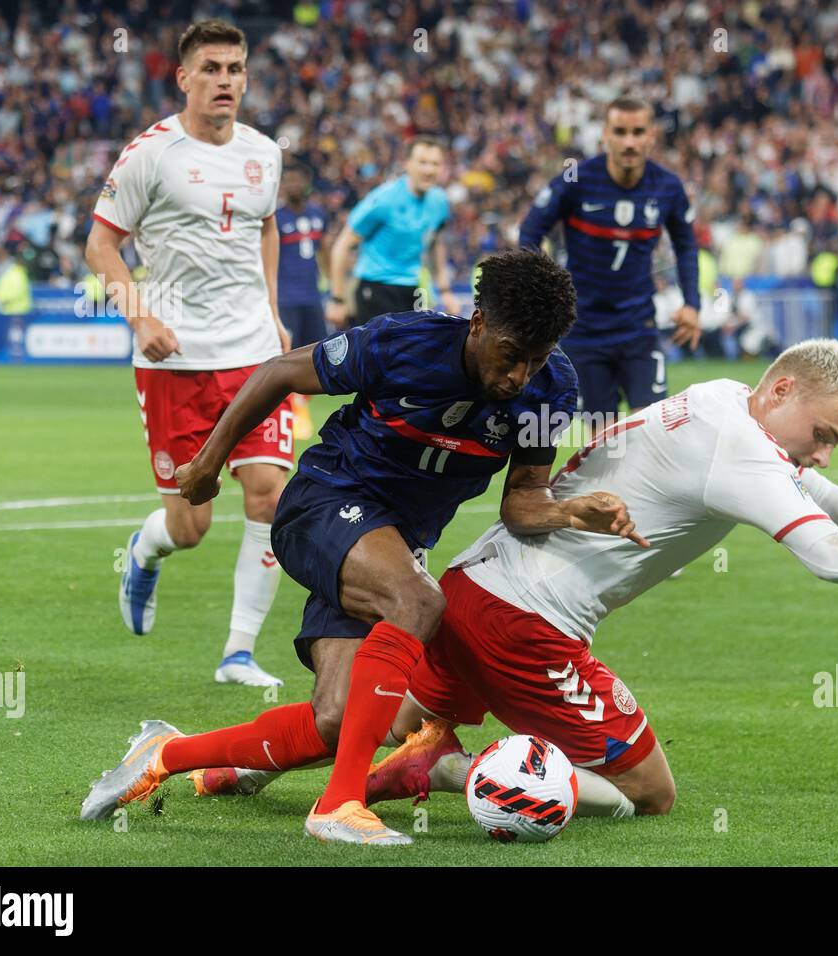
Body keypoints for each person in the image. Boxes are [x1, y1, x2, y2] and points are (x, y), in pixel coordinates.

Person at [181, 340, 838, 820]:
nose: (818, 453)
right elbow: (826, 554)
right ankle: (451, 777)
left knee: (365, 721)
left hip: (476, 586)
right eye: (820, 431)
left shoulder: (719, 397)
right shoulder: (742, 454)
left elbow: (819, 490)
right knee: (650, 793)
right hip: (530, 626)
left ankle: (213, 767)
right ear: (782, 389)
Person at [80, 248, 650, 845]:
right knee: (420, 602)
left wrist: (571, 511)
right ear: (478, 323)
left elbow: (523, 501)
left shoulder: (551, 389)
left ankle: (164, 753)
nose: (517, 378)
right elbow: (278, 372)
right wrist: (208, 460)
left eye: (533, 362)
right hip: (324, 503)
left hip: (391, 543)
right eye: (510, 357)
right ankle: (340, 805)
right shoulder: (404, 342)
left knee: (335, 721)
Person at [84, 19, 294, 686]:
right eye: (211, 69)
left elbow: (267, 226)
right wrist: (139, 317)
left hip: (254, 353)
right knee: (192, 522)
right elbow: (100, 246)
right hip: (176, 362)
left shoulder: (265, 151)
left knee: (268, 496)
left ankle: (238, 652)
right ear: (184, 77)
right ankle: (147, 551)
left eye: (234, 68)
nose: (225, 79)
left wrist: (273, 310)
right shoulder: (151, 154)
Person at [519, 97, 701, 426]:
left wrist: (693, 303)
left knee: (652, 429)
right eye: (620, 131)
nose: (629, 142)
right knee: (603, 439)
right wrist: (541, 293)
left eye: (637, 132)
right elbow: (531, 231)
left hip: (638, 326)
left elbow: (687, 245)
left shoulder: (668, 186)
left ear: (651, 135)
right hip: (584, 327)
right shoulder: (577, 179)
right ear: (605, 134)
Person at [325, 137, 459, 328]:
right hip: (376, 287)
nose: (429, 170)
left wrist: (445, 289)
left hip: (413, 288)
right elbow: (342, 245)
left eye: (435, 164)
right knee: (379, 356)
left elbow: (435, 242)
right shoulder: (383, 200)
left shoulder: (439, 201)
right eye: (422, 162)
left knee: (414, 354)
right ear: (407, 163)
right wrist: (337, 299)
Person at [275, 163, 331, 439]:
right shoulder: (275, 218)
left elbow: (325, 251)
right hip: (285, 297)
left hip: (311, 296)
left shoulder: (318, 215)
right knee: (286, 354)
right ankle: (290, 407)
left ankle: (299, 401)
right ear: (283, 185)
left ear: (307, 183)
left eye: (298, 179)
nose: (294, 185)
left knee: (316, 352)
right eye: (289, 180)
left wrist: (331, 284)